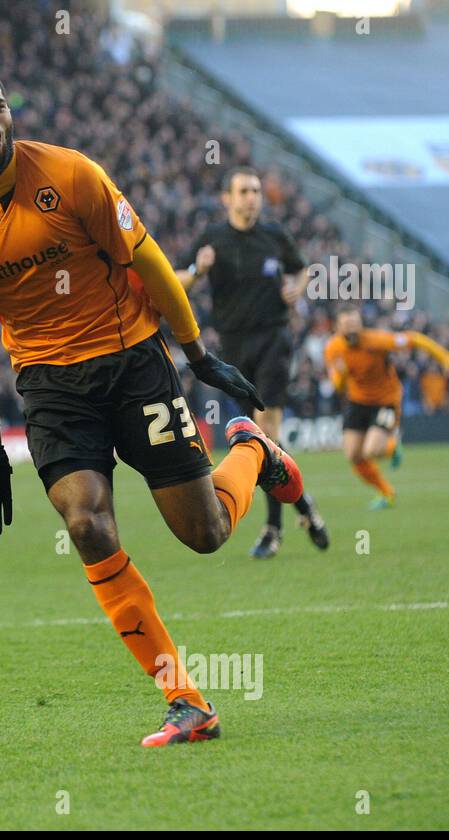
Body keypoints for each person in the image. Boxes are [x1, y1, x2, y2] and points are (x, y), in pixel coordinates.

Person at [0, 65, 306, 747]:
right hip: (49, 386)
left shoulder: (70, 176)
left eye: (0, 106)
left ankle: (252, 450)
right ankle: (186, 701)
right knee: (86, 520)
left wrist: (197, 353)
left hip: (131, 361)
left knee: (205, 532)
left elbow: (147, 258)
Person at [177, 166, 328, 559]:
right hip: (233, 349)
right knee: (255, 441)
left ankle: (272, 529)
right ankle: (304, 506)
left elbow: (303, 268)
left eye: (257, 191)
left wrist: (299, 286)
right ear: (227, 197)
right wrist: (198, 270)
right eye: (244, 191)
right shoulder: (212, 239)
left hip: (274, 339)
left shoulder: (274, 235)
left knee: (264, 430)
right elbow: (173, 280)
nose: (252, 197)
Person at [324, 307, 449, 508]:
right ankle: (387, 493)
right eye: (347, 326)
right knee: (353, 455)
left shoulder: (376, 341)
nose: (352, 329)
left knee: (371, 450)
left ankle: (391, 447)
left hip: (385, 400)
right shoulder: (333, 349)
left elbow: (415, 339)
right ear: (338, 328)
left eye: (355, 324)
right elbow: (339, 386)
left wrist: (446, 358)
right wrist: (342, 374)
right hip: (357, 401)